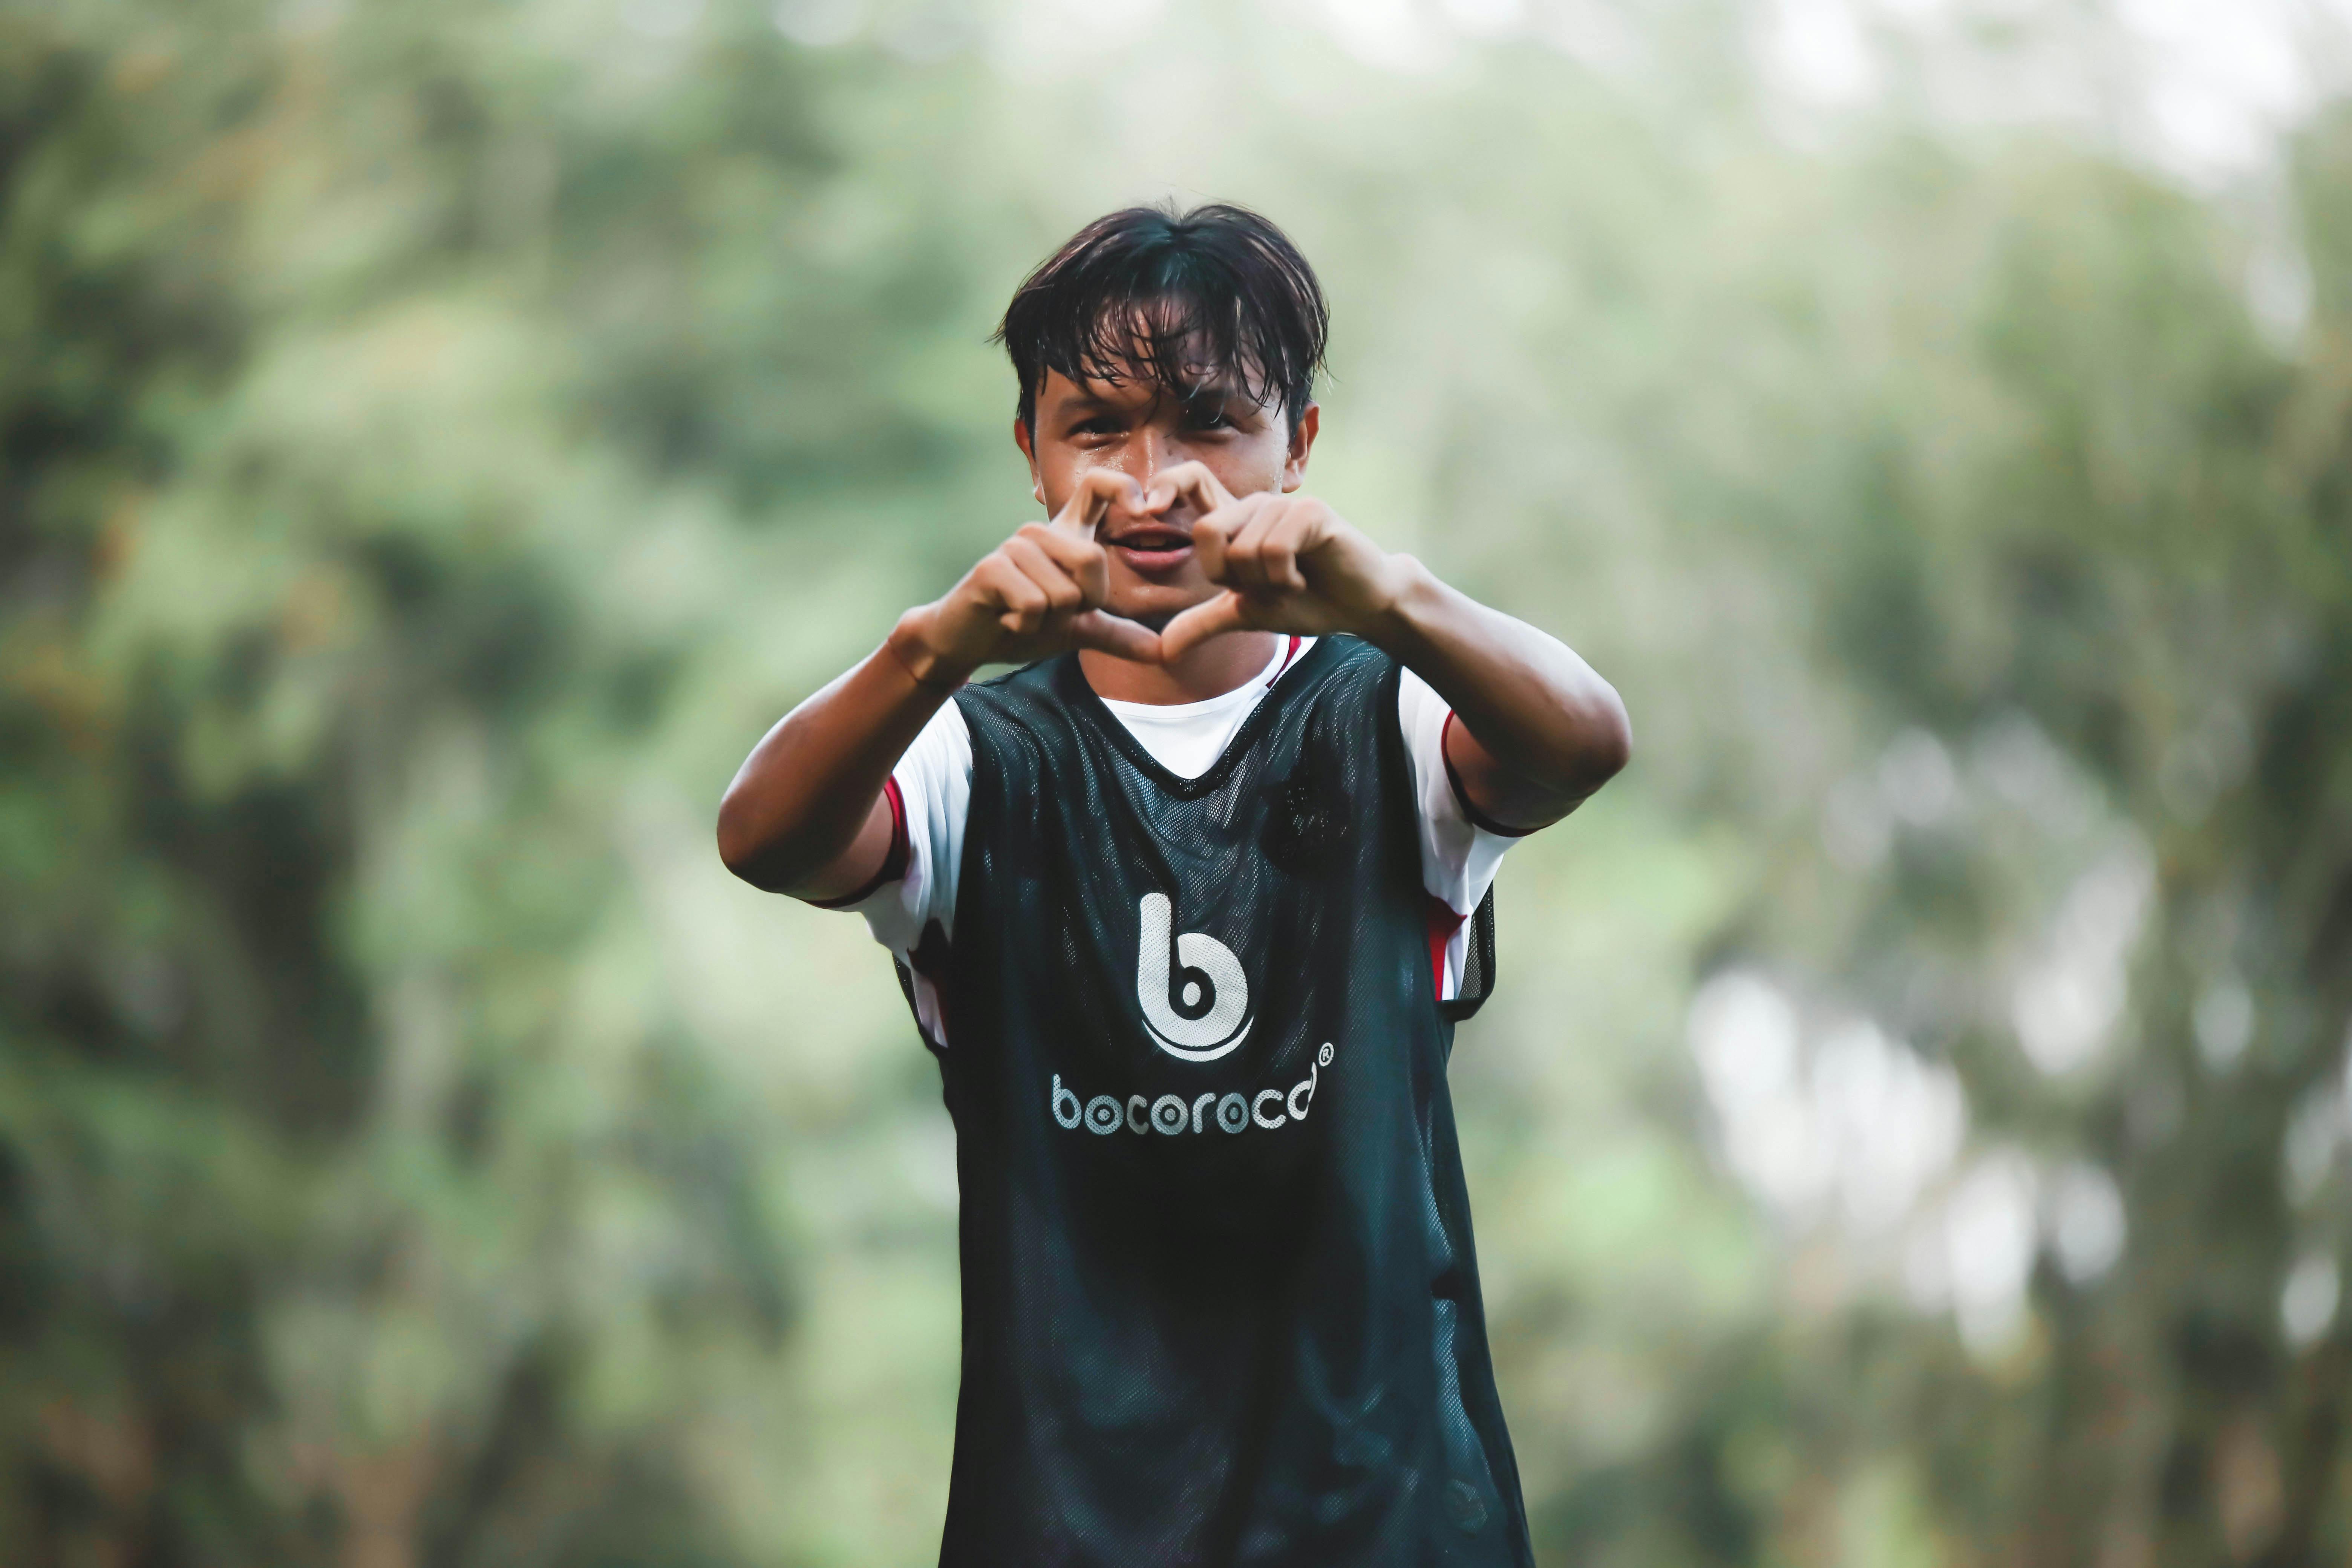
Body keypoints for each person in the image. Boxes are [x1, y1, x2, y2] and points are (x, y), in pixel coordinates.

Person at [718, 202, 1629, 1566]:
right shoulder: (973, 751)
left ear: (1298, 448)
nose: (1154, 482)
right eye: (1097, 427)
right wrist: (939, 644)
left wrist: (1392, 598)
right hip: (1066, 1529)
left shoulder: (1388, 716)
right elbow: (766, 839)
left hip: (1385, 1525)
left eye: (1211, 422)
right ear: (1029, 452)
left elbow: (1584, 743)